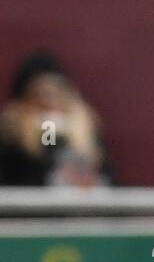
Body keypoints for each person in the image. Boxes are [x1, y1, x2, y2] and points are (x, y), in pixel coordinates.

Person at [0, 50, 110, 187]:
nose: (50, 102)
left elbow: (108, 180)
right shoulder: (14, 135)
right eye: (38, 95)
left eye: (57, 93)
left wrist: (81, 143)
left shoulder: (83, 127)